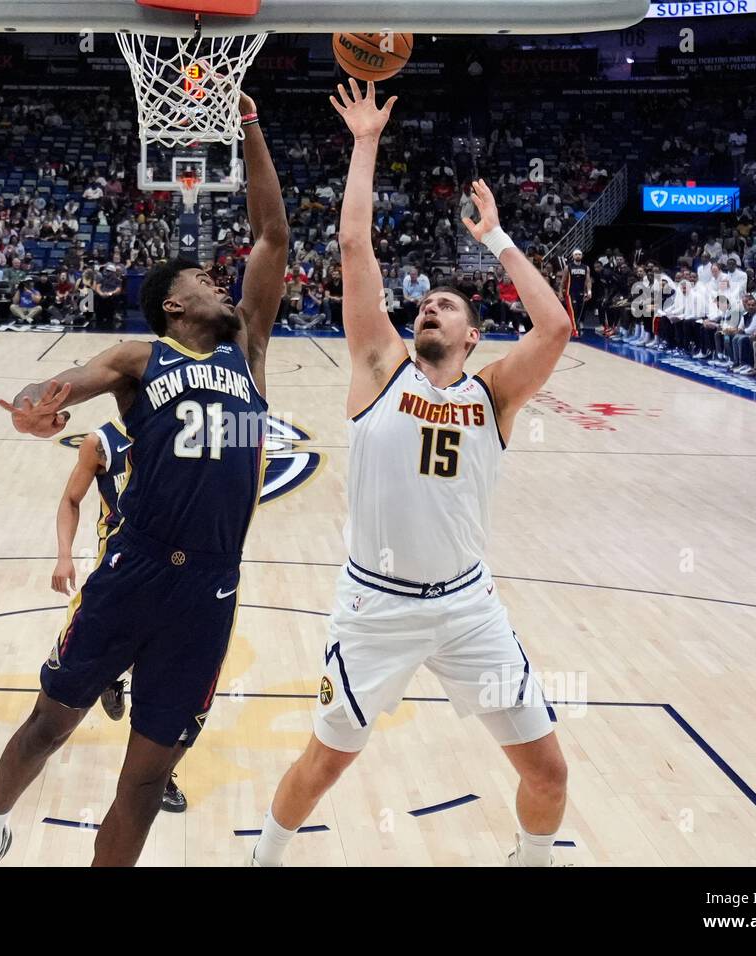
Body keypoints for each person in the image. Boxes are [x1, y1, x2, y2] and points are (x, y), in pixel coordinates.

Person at [0, 91, 287, 867]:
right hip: (132, 567)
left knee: (146, 778)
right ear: (174, 306)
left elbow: (274, 234)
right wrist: (40, 404)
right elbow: (76, 376)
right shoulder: (143, 358)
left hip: (211, 586)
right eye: (206, 279)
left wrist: (250, 125)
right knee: (50, 722)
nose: (220, 283)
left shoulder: (252, 350)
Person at [252, 81, 570, 869]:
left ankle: (531, 860)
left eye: (446, 304)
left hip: (468, 606)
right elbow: (355, 248)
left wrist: (495, 239)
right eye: (423, 302)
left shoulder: (494, 394)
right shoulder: (380, 370)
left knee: (548, 772)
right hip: (376, 607)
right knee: (326, 764)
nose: (429, 307)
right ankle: (263, 859)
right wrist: (365, 142)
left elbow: (557, 325)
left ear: (471, 332)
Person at [49, 421, 187, 813]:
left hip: (176, 572)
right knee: (65, 679)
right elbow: (71, 499)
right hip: (118, 571)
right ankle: (43, 736)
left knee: (170, 687)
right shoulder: (101, 442)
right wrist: (63, 555)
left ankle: (162, 776)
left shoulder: (184, 433)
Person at [559, 248, 589, 337]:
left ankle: (574, 327)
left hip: (581, 293)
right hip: (571, 293)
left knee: (578, 312)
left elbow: (588, 281)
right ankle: (574, 330)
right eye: (576, 254)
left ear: (582, 256)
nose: (578, 256)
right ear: (573, 256)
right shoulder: (568, 267)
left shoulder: (586, 267)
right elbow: (563, 281)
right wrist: (561, 292)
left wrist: (589, 291)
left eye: (579, 254)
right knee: (572, 311)